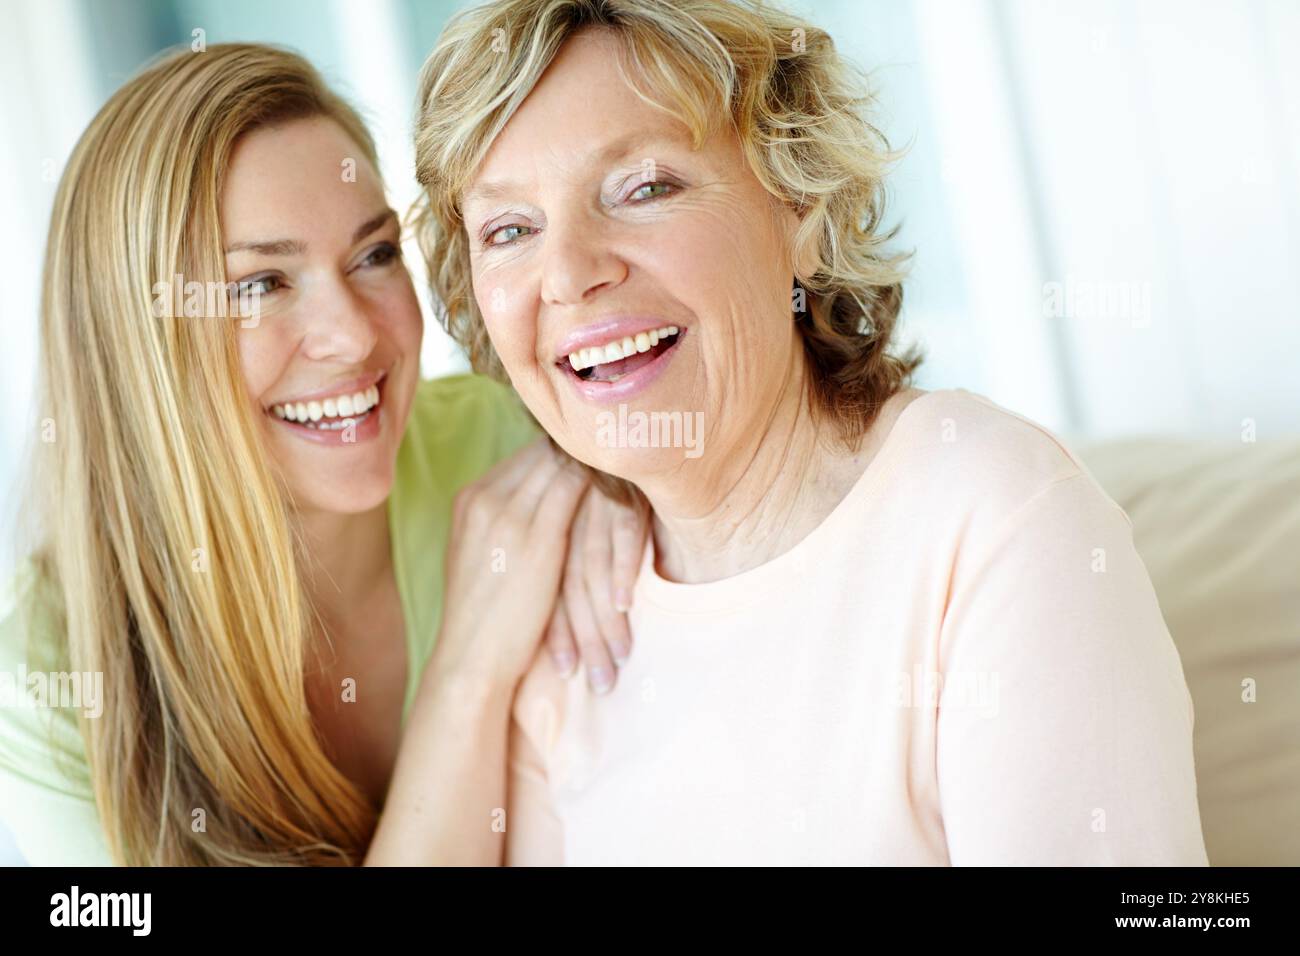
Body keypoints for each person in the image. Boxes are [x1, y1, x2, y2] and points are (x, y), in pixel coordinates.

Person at [411, 0, 1210, 865]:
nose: (567, 273)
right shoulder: (564, 613)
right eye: (509, 230)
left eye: (644, 187)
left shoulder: (991, 513)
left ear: (799, 208)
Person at [0, 42, 646, 867]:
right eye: (260, 285)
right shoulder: (45, 683)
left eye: (374, 255)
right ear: (137, 349)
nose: (351, 336)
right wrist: (466, 675)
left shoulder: (517, 446)